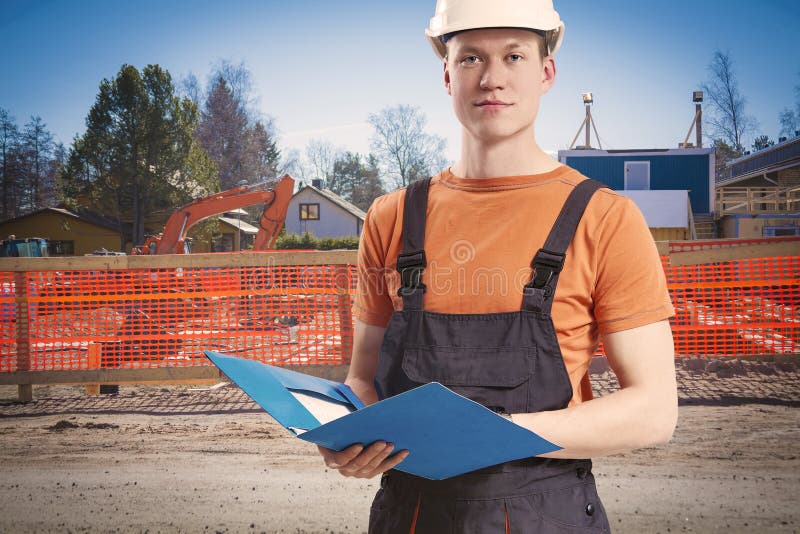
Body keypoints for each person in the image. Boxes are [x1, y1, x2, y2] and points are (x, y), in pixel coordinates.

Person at [318, 0, 678, 531]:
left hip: (546, 517)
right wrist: (347, 435)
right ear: (447, 75)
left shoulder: (605, 218)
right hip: (410, 516)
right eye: (470, 58)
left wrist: (496, 432)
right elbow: (363, 379)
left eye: (513, 56)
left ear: (546, 73)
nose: (491, 79)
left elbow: (653, 410)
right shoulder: (390, 217)